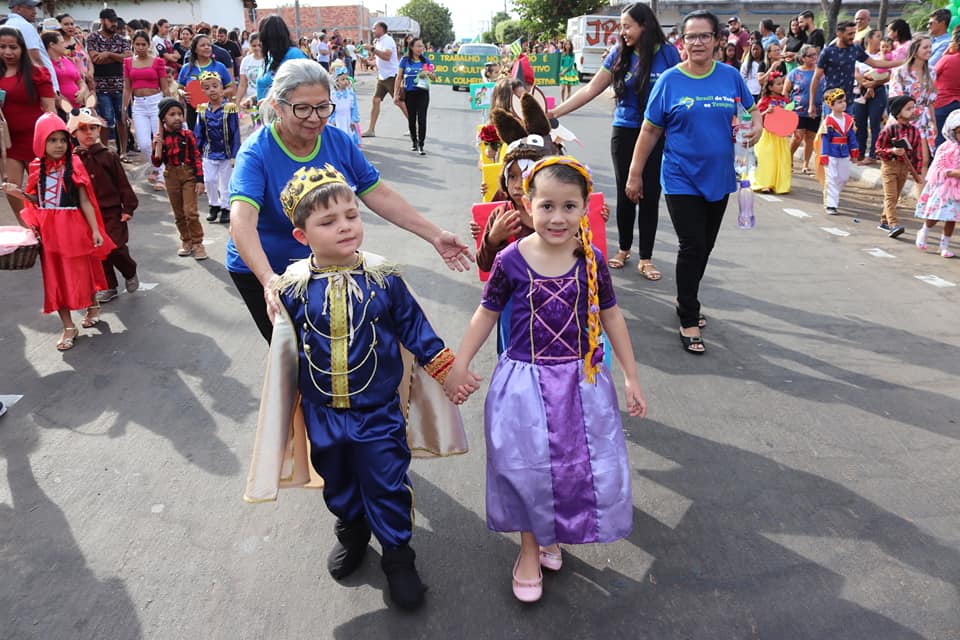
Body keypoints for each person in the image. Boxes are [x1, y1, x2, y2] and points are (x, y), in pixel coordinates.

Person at [251, 164, 467, 611]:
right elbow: (286, 349)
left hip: (379, 413)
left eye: (351, 215)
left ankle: (397, 556)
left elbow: (415, 329)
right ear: (302, 236)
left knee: (387, 481)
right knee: (337, 477)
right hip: (321, 412)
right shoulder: (291, 287)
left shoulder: (384, 278)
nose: (345, 226)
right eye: (328, 222)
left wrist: (449, 371)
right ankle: (351, 529)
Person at [443, 156, 646, 603]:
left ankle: (548, 531)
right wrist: (460, 362)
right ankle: (530, 549)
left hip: (580, 384)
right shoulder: (512, 260)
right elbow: (486, 312)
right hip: (523, 385)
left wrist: (630, 376)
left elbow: (612, 317)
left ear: (584, 208)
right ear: (526, 203)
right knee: (525, 469)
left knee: (571, 470)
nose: (558, 217)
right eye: (547, 205)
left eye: (569, 206)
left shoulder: (591, 259)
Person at [227, 59, 471, 343]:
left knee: (339, 349)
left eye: (322, 107)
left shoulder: (338, 142)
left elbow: (378, 193)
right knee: (293, 354)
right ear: (278, 106)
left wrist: (435, 235)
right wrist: (269, 280)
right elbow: (242, 222)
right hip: (264, 268)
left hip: (324, 261)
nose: (315, 117)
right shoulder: (256, 153)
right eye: (302, 108)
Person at [626, 10, 762, 355]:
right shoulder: (669, 80)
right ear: (681, 42)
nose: (697, 42)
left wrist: (755, 126)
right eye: (691, 37)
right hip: (680, 176)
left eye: (704, 36)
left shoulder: (730, 77)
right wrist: (635, 172)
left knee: (705, 246)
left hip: (720, 177)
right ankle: (688, 314)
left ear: (718, 40)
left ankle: (686, 296)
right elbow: (650, 129)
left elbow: (750, 110)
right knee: (692, 245)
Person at [548, 2, 679, 280]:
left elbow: (680, 93)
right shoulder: (620, 54)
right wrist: (554, 113)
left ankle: (646, 257)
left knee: (650, 193)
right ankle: (623, 248)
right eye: (622, 27)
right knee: (626, 191)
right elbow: (592, 89)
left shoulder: (669, 54)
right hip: (625, 129)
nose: (623, 32)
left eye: (627, 26)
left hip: (656, 133)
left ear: (644, 25)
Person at [2, 113, 113, 349]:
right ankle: (68, 326)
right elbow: (37, 199)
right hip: (49, 232)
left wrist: (95, 229)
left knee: (81, 271)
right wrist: (18, 193)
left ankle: (92, 304)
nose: (59, 145)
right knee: (55, 277)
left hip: (74, 228)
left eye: (62, 139)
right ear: (40, 141)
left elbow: (85, 201)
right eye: (52, 140)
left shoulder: (74, 164)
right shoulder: (35, 167)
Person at [70, 109, 140, 302]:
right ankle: (109, 286)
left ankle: (129, 270)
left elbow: (122, 183)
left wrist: (128, 207)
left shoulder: (108, 155)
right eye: (83, 129)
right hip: (89, 214)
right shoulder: (73, 160)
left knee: (116, 247)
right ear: (74, 134)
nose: (89, 133)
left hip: (112, 212)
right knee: (98, 252)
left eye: (93, 128)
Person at [0, 27, 56, 225]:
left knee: (45, 190)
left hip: (36, 141)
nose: (7, 52)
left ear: (22, 48)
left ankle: (48, 226)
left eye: (13, 47)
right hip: (8, 143)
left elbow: (50, 108)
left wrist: (53, 140)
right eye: (2, 47)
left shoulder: (37, 73)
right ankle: (28, 227)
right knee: (11, 188)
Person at [808, 21, 901, 116]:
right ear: (839, 34)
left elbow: (875, 63)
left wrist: (903, 62)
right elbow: (816, 77)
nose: (853, 37)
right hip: (832, 101)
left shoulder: (855, 49)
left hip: (848, 101)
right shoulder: (827, 52)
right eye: (849, 34)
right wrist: (811, 104)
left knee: (849, 130)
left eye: (854, 33)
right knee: (832, 130)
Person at [152, 98, 207, 259]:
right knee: (179, 213)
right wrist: (156, 145)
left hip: (188, 174)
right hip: (171, 176)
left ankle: (198, 243)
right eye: (172, 114)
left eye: (179, 114)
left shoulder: (188, 135)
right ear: (163, 119)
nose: (177, 118)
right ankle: (186, 240)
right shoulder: (161, 138)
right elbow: (157, 162)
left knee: (190, 211)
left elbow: (196, 157)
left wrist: (199, 179)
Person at [123, 30, 169, 189]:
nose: (141, 47)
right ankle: (158, 167)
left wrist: (169, 106)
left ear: (149, 45)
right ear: (133, 44)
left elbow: (165, 87)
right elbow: (127, 88)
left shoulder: (158, 62)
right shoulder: (128, 62)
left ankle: (162, 175)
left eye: (144, 44)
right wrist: (124, 108)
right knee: (143, 143)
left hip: (156, 102)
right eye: (137, 44)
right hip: (138, 105)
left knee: (158, 139)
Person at [194, 72, 239, 224]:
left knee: (225, 182)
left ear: (221, 88)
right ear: (203, 91)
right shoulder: (202, 110)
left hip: (226, 152)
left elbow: (235, 132)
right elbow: (198, 133)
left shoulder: (229, 108)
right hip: (209, 151)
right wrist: (197, 152)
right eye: (207, 88)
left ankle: (226, 207)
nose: (212, 90)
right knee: (210, 180)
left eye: (215, 86)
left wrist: (234, 154)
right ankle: (214, 204)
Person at [87, 9, 132, 160]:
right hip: (101, 86)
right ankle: (104, 151)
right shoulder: (92, 38)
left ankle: (123, 151)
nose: (114, 24)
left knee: (122, 118)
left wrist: (108, 54)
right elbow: (94, 59)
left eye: (115, 21)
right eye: (110, 21)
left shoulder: (122, 39)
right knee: (105, 119)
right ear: (102, 20)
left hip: (120, 85)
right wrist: (116, 57)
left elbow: (128, 58)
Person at [875, 95, 923, 239]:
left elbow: (917, 153)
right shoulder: (889, 130)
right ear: (898, 112)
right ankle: (893, 225)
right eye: (908, 108)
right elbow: (878, 149)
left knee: (895, 196)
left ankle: (884, 221)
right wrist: (892, 151)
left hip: (904, 167)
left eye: (913, 107)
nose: (912, 111)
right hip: (889, 166)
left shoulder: (915, 131)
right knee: (890, 196)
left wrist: (918, 171)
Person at [915, 110, 960, 257]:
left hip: (958, 190)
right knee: (937, 215)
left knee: (952, 218)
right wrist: (952, 173)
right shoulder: (946, 148)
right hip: (944, 187)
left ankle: (944, 245)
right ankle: (924, 231)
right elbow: (938, 168)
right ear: (953, 132)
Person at [889, 37, 937, 169]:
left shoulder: (931, 72)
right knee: (900, 163)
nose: (929, 50)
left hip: (923, 121)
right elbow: (895, 98)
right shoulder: (901, 72)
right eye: (925, 47)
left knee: (924, 161)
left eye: (930, 47)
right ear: (915, 51)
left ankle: (921, 190)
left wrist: (933, 122)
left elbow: (931, 101)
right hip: (903, 120)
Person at [177, 34, 233, 131]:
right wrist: (183, 94)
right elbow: (179, 88)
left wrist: (219, 93)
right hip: (193, 112)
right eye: (202, 45)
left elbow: (231, 88)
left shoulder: (220, 67)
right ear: (195, 49)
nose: (207, 47)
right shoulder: (186, 68)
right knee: (196, 141)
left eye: (209, 45)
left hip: (216, 110)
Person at [818, 88, 859, 214]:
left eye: (844, 101)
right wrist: (824, 155)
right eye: (839, 102)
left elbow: (851, 137)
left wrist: (854, 152)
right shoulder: (828, 121)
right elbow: (825, 140)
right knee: (832, 178)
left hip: (844, 152)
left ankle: (832, 194)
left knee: (843, 177)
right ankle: (831, 204)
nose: (843, 104)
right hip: (831, 152)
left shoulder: (848, 119)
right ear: (831, 105)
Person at [5, 0, 59, 94]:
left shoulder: (6, 25)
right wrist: (49, 87)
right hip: (36, 84)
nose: (35, 11)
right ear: (18, 8)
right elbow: (35, 59)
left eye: (35, 8)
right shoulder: (25, 26)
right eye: (30, 7)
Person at [364, 21, 407, 137]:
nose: (372, 30)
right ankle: (371, 130)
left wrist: (372, 49)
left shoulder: (387, 40)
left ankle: (415, 126)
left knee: (399, 101)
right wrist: (367, 62)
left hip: (392, 76)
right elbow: (379, 61)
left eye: (374, 28)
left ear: (381, 29)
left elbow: (387, 57)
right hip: (382, 77)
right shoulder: (378, 42)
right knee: (375, 100)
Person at [786, 44, 824, 174]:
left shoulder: (820, 72)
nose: (814, 57)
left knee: (810, 138)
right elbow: (786, 92)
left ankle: (806, 164)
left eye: (815, 54)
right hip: (798, 110)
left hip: (816, 110)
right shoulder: (795, 73)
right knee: (798, 136)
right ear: (803, 58)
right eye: (810, 55)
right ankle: (789, 158)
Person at [752, 71, 792, 194]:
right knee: (766, 159)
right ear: (770, 87)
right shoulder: (765, 101)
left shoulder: (785, 100)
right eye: (778, 84)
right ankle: (764, 183)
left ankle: (778, 183)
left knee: (780, 159)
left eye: (782, 83)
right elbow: (757, 115)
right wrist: (766, 112)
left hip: (780, 136)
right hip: (767, 135)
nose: (781, 86)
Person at [853, 29, 888, 164]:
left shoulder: (883, 56)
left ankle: (873, 154)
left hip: (878, 91)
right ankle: (860, 152)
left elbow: (887, 75)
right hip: (860, 90)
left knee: (875, 124)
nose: (880, 39)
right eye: (878, 36)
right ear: (869, 39)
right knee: (860, 123)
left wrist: (873, 85)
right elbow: (855, 73)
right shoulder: (859, 55)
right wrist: (866, 85)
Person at [395, 37, 435, 156]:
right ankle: (414, 141)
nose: (420, 48)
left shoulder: (426, 61)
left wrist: (428, 73)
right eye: (418, 46)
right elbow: (399, 77)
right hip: (409, 93)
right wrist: (396, 93)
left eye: (422, 46)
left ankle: (421, 145)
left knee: (422, 119)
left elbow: (434, 77)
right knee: (412, 119)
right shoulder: (405, 60)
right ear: (411, 47)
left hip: (422, 93)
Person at [255, 16, 306, 101]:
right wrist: (253, 99)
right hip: (265, 112)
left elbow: (305, 86)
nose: (260, 41)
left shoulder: (294, 55)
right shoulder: (270, 57)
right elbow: (265, 88)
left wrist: (271, 101)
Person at [42, 31, 83, 110]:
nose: (65, 45)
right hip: (60, 109)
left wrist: (82, 91)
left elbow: (79, 81)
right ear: (52, 45)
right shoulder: (45, 64)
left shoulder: (67, 60)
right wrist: (67, 107)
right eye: (62, 43)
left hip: (77, 108)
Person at [934, 27, 960, 148]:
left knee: (940, 138)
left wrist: (946, 54)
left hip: (943, 103)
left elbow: (932, 75)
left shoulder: (947, 59)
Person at [330, 66, 360, 145]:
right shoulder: (332, 95)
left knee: (349, 135)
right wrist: (332, 119)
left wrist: (354, 119)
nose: (346, 81)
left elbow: (354, 108)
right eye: (343, 79)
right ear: (337, 81)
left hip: (348, 119)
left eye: (347, 79)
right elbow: (330, 109)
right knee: (338, 137)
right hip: (338, 119)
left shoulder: (351, 94)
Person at [237, 32, 263, 108]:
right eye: (254, 46)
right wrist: (237, 102)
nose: (257, 48)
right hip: (251, 102)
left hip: (265, 99)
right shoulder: (246, 61)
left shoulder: (268, 59)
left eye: (259, 45)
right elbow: (242, 84)